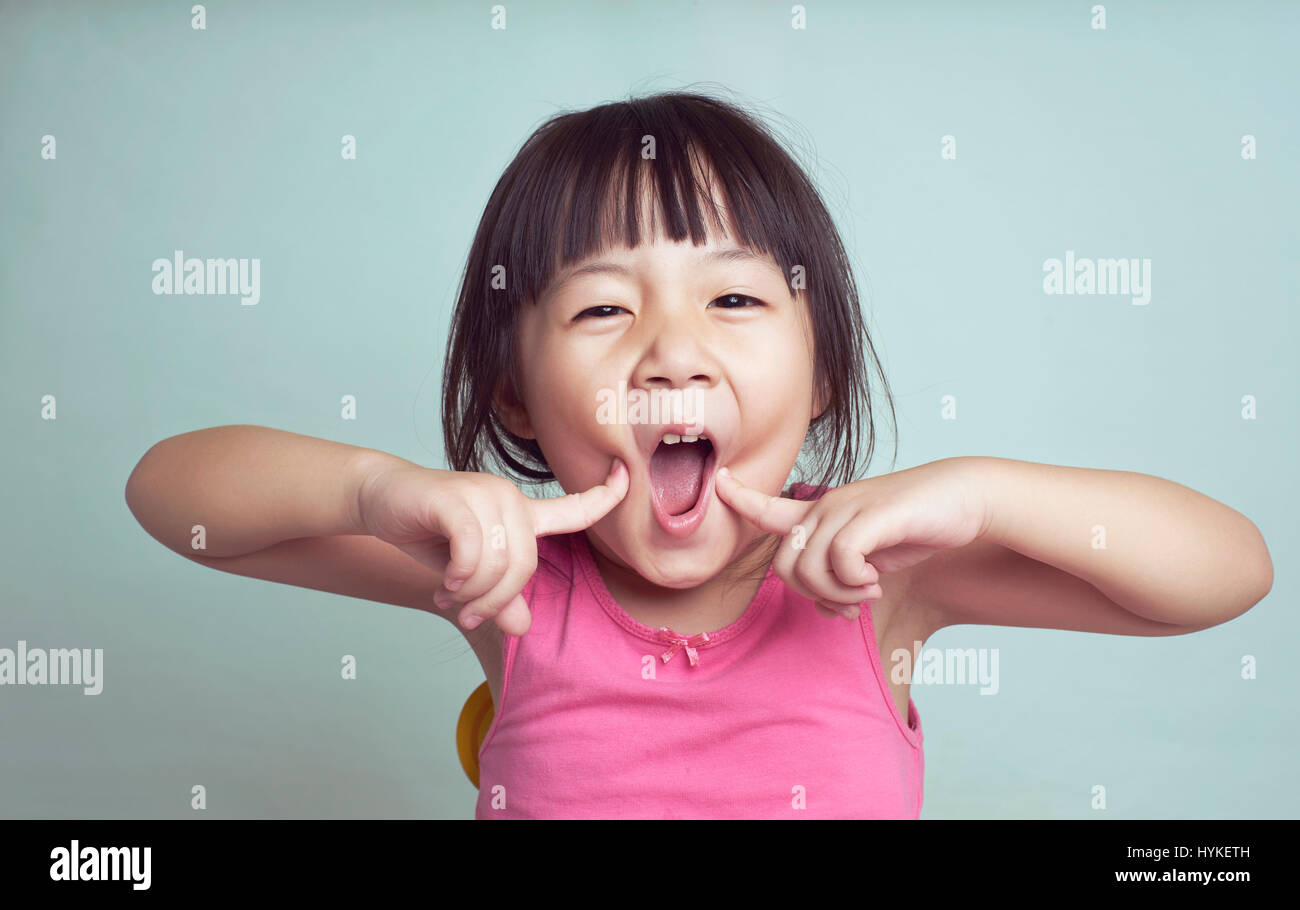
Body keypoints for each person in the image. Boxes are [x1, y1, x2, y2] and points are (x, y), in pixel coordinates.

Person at [125, 88, 1273, 819]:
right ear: (516, 401)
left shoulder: (885, 584)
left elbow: (1224, 574)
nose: (672, 352)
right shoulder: (506, 582)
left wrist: (981, 497)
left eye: (730, 296)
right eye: (599, 312)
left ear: (821, 374)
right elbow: (171, 498)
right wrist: (378, 492)